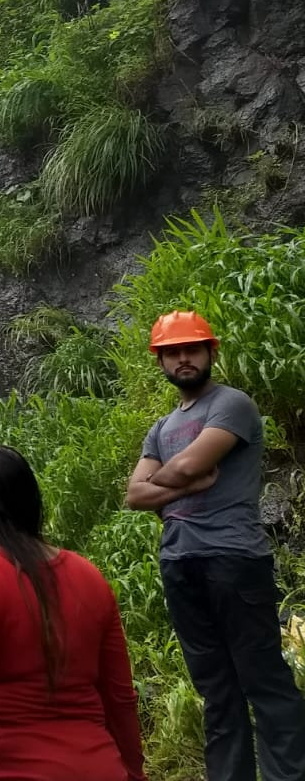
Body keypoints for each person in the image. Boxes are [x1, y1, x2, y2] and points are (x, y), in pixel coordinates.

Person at [125, 311, 305, 781]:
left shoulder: (232, 404)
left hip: (234, 557)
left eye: (192, 349)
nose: (183, 358)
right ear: (160, 361)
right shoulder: (161, 428)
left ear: (210, 352)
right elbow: (134, 495)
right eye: (172, 352)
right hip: (179, 561)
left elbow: (184, 468)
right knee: (216, 688)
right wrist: (184, 488)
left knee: (263, 680)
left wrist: (172, 481)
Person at [0, 445, 144, 781]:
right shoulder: (89, 575)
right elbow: (119, 695)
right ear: (30, 499)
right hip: (101, 766)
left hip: (9, 767)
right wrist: (135, 773)